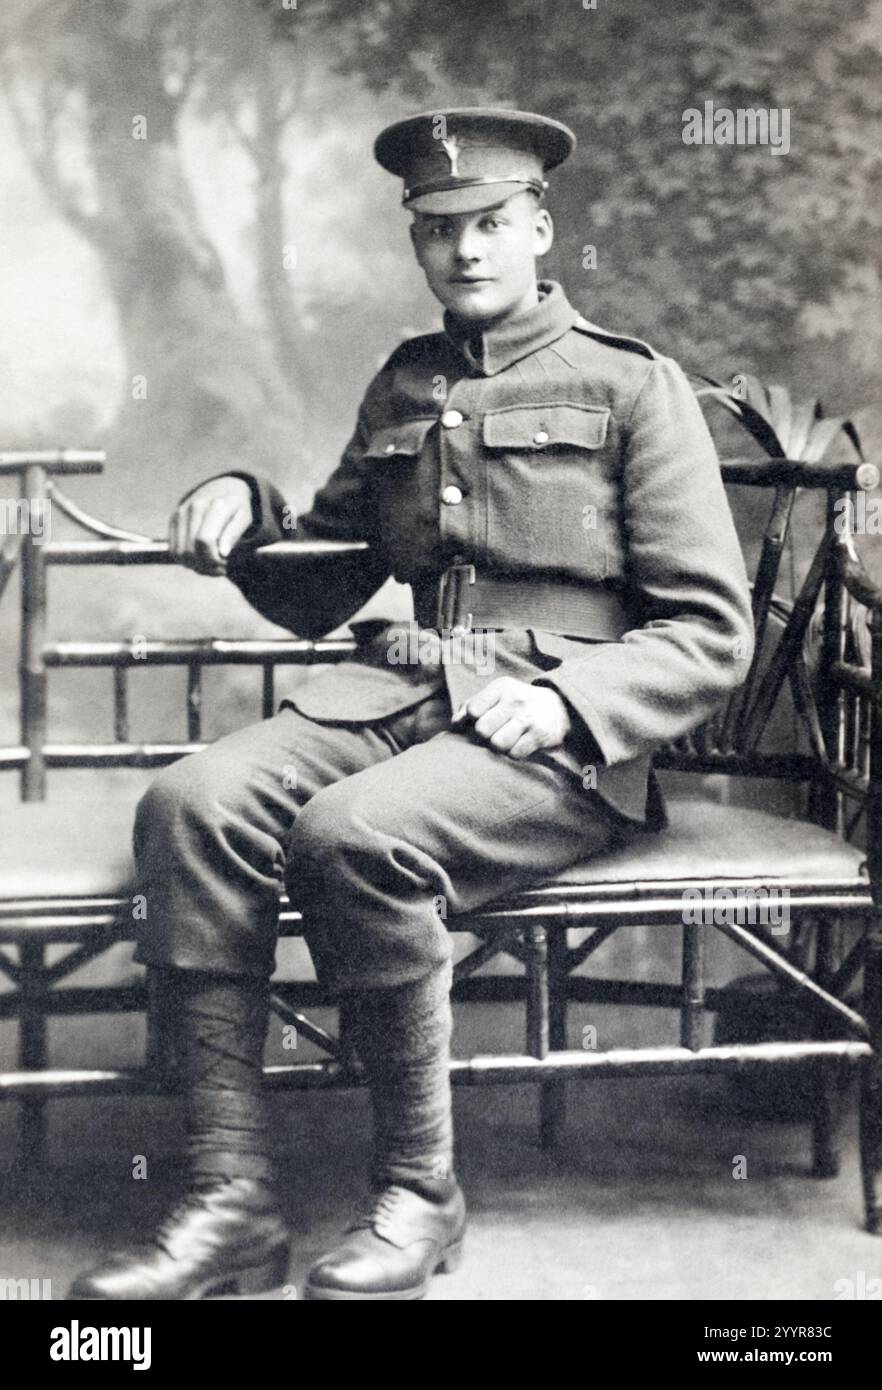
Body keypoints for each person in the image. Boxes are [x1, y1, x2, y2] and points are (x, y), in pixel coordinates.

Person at [69, 108, 754, 1301]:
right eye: (440, 232)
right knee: (192, 803)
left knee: (355, 835)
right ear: (420, 246)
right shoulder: (406, 381)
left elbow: (709, 631)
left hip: (561, 740)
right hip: (405, 683)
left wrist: (575, 703)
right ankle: (230, 1203)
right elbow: (324, 571)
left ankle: (419, 1192)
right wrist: (238, 509)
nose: (468, 251)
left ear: (539, 227)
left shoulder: (633, 383)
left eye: (491, 224)